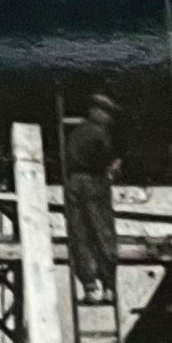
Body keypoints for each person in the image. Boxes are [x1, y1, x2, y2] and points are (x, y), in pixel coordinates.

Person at [63, 95, 122, 302]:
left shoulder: (75, 133)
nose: (109, 118)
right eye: (107, 113)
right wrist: (112, 168)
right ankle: (108, 286)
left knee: (80, 234)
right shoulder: (100, 134)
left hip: (74, 184)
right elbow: (102, 159)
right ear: (97, 112)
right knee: (102, 233)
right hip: (95, 184)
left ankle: (90, 287)